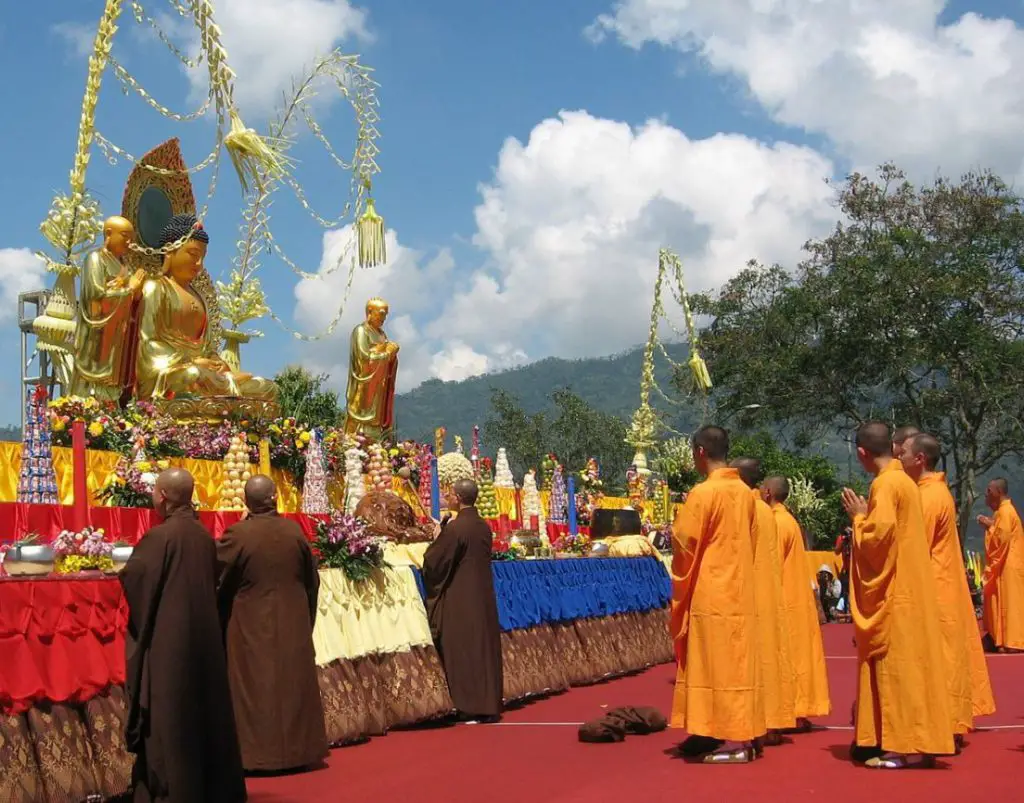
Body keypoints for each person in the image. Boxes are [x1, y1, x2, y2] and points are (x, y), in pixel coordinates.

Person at [120, 468, 246, 802]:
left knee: (170, 715)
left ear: (161, 496)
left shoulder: (159, 538)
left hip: (169, 640)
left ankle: (174, 789)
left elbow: (135, 578)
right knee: (202, 712)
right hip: (202, 638)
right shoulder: (202, 535)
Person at [841, 421, 954, 768]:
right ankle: (901, 739)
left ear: (862, 453)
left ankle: (903, 745)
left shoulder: (886, 484)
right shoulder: (904, 481)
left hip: (897, 595)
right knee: (914, 668)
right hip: (912, 587)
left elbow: (879, 539)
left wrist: (859, 520)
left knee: (898, 669)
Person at [217, 475, 328, 773]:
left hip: (251, 624)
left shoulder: (237, 535)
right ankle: (300, 751)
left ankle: (257, 756)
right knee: (292, 685)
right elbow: (312, 582)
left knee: (256, 688)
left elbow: (217, 581)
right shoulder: (294, 532)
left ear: (245, 501)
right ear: (276, 497)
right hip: (293, 619)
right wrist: (305, 618)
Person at [670, 427, 765, 764]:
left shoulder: (703, 494)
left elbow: (684, 543)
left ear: (699, 452)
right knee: (733, 664)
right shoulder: (744, 492)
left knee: (717, 666)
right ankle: (715, 730)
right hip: (740, 588)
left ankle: (736, 739)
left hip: (712, 591)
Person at [901, 434, 995, 744]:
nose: (898, 458)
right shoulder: (932, 492)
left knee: (940, 659)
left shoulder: (928, 497)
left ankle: (944, 725)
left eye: (903, 453)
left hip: (935, 590)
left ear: (920, 460)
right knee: (946, 658)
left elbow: (913, 545)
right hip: (941, 586)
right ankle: (948, 722)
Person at [423, 478, 503, 722]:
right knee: (482, 648)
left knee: (464, 649)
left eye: (449, 494)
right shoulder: (481, 525)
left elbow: (434, 562)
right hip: (482, 595)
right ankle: (488, 703)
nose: (447, 497)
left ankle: (471, 706)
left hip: (461, 597)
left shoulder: (457, 528)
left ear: (458, 497)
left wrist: (438, 536)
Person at [731, 457, 795, 746]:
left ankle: (755, 724)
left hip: (749, 596)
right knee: (769, 657)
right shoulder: (767, 513)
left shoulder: (745, 509)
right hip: (769, 594)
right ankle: (772, 722)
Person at [763, 476, 831, 731]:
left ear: (767, 492)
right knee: (798, 657)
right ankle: (798, 710)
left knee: (788, 656)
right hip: (794, 596)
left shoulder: (778, 522)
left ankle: (791, 711)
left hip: (785, 599)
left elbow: (771, 564)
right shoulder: (787, 519)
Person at [979, 477, 1024, 653]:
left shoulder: (1006, 512)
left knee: (1008, 604)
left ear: (998, 492)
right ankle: (999, 639)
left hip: (1008, 565)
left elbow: (1001, 540)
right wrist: (991, 525)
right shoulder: (1002, 512)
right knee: (999, 602)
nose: (986, 494)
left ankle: (1012, 641)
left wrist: (989, 527)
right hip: (1005, 565)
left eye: (989, 491)